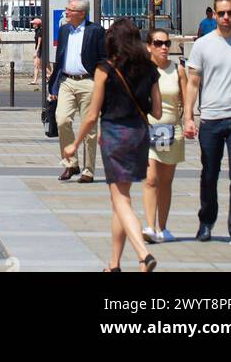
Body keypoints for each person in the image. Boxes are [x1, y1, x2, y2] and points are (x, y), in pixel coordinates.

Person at [64, 17, 161, 273]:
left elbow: (92, 114)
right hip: (139, 135)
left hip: (115, 135)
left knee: (120, 200)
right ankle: (114, 264)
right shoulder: (149, 69)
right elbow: (159, 112)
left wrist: (74, 144)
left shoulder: (105, 68)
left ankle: (143, 253)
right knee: (122, 197)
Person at [184, 0, 231, 246]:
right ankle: (206, 222)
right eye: (222, 13)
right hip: (211, 119)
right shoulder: (203, 45)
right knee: (209, 174)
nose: (226, 17)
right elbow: (193, 83)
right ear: (214, 15)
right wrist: (189, 117)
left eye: (230, 13)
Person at [49, 0, 106, 183]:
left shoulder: (95, 31)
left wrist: (99, 82)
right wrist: (54, 84)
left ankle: (89, 170)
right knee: (62, 119)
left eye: (70, 10)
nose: (66, 12)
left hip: (87, 81)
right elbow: (60, 57)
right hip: (66, 81)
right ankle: (71, 163)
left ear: (81, 13)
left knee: (89, 127)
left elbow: (103, 58)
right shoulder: (64, 29)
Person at [142, 29, 187, 243]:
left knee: (166, 182)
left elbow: (186, 101)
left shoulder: (178, 70)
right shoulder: (143, 70)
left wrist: (188, 121)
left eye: (167, 43)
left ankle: (163, 227)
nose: (164, 48)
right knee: (151, 179)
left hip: (171, 130)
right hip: (149, 129)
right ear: (149, 46)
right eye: (158, 43)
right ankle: (150, 226)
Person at [31, 17, 44, 87]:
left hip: (40, 50)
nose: (32, 24)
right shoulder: (37, 30)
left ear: (37, 24)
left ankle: (50, 75)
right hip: (38, 49)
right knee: (36, 65)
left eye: (33, 23)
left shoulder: (39, 31)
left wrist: (36, 51)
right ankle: (35, 80)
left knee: (39, 66)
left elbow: (39, 42)